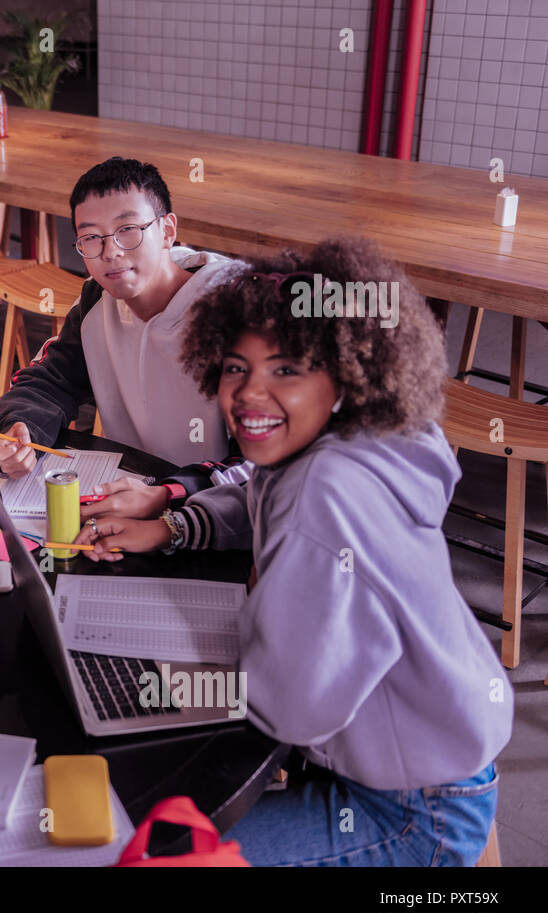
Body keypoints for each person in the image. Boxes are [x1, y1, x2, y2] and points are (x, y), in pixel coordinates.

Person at [77, 237, 512, 866]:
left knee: (152, 855)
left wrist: (169, 691)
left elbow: (289, 709)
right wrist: (174, 525)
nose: (251, 393)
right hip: (424, 760)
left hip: (411, 814)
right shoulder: (356, 441)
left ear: (342, 377)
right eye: (235, 367)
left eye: (286, 369)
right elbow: (260, 495)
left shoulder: (328, 492)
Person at [0, 156, 247, 522]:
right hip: (128, 505)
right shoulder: (96, 301)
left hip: (219, 518)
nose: (111, 252)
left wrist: (168, 494)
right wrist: (22, 430)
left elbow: (262, 462)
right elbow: (46, 383)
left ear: (168, 231)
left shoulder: (238, 312)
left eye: (128, 229)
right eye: (91, 237)